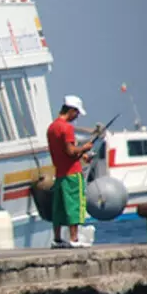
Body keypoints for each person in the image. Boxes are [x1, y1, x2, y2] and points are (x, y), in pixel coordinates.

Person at [46, 94, 95, 248]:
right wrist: (84, 148)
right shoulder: (67, 128)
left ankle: (57, 239)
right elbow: (70, 151)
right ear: (71, 110)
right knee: (74, 205)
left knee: (59, 207)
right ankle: (74, 239)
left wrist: (82, 154)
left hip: (60, 173)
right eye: (77, 113)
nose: (77, 116)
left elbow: (63, 152)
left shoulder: (52, 127)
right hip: (72, 174)